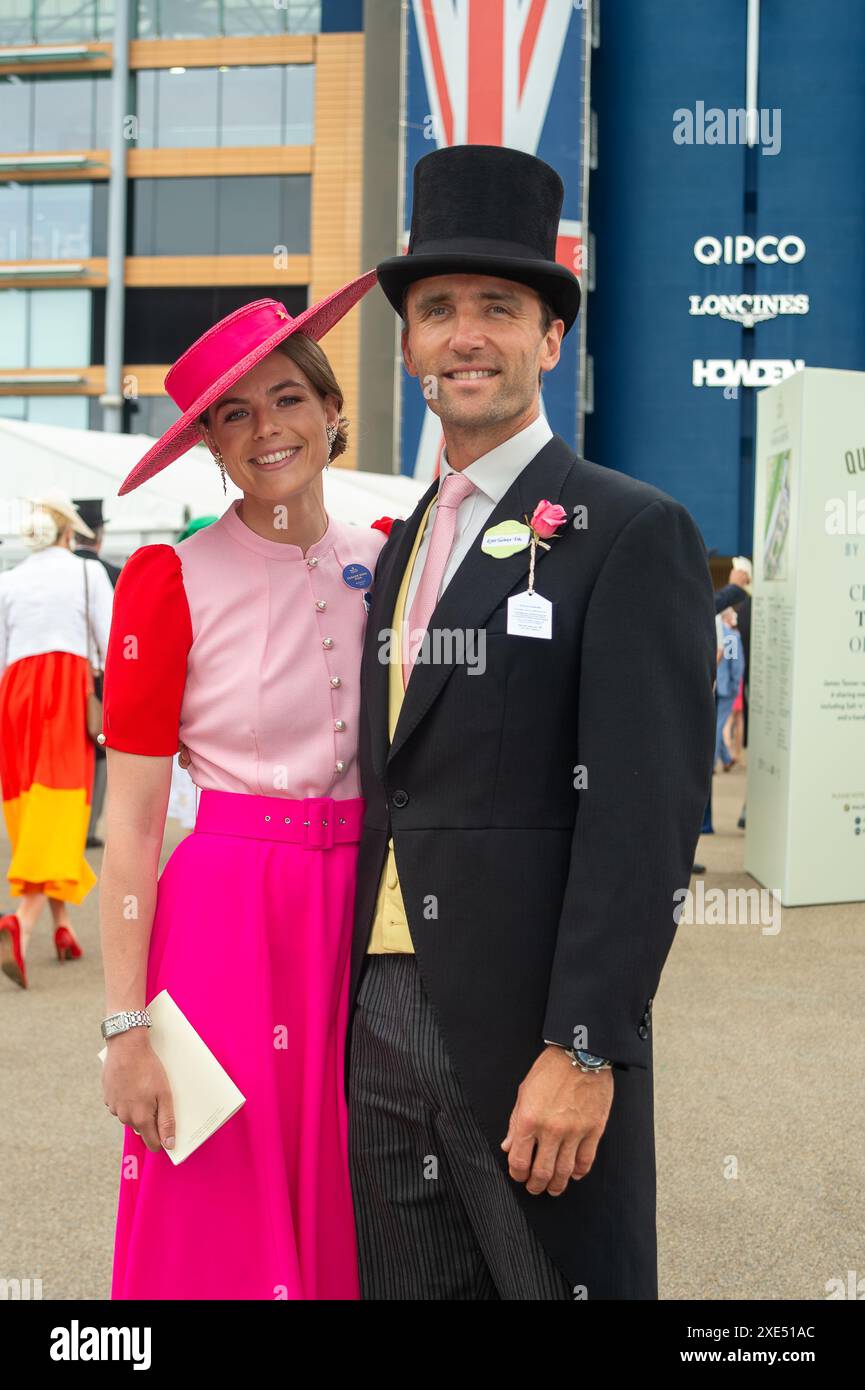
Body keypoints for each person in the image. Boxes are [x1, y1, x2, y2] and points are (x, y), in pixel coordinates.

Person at [346, 145, 717, 1300]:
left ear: (549, 338)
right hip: (380, 1018)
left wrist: (587, 1045)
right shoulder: (403, 543)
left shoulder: (627, 529)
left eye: (499, 309)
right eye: (440, 309)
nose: (466, 335)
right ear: (406, 344)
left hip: (531, 1031)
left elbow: (646, 814)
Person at [98, 276, 384, 1299]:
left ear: (330, 408)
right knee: (214, 1182)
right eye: (234, 414)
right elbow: (127, 827)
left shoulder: (391, 559)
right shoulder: (165, 581)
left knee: (367, 1183)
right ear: (210, 446)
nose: (267, 428)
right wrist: (123, 1028)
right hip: (225, 914)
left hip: (367, 913)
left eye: (288, 398)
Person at [0, 492, 113, 989]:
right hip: (64, 685)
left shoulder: (9, 580)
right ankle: (20, 920)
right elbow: (110, 640)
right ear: (70, 533)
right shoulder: (87, 574)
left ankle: (62, 927)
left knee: (30, 803)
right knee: (64, 805)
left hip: (14, 693)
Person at [72, 498, 121, 850]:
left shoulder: (53, 570)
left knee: (67, 744)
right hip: (103, 672)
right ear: (99, 535)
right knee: (100, 746)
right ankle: (89, 825)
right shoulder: (113, 574)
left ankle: (66, 818)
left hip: (62, 669)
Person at [714, 607, 745, 771]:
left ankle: (726, 759)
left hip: (717, 684)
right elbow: (736, 665)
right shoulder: (731, 637)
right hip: (726, 686)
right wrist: (735, 685)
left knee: (717, 723)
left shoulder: (716, 633)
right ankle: (712, 763)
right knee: (719, 725)